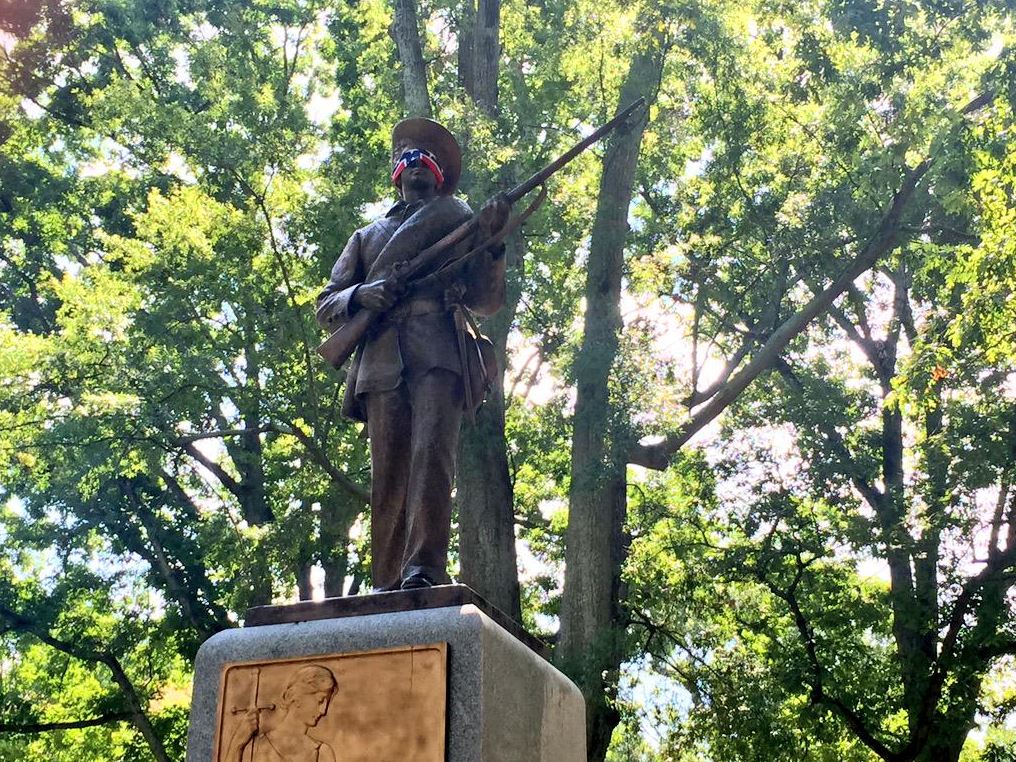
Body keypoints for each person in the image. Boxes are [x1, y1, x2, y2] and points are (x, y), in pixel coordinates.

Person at [315, 118, 509, 592]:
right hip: (382, 359)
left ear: (439, 176)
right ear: (396, 174)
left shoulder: (459, 221)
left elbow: (486, 300)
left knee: (432, 460)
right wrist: (363, 296)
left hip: (439, 351)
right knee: (389, 470)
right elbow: (327, 303)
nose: (416, 170)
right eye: (408, 162)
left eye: (427, 164)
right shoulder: (366, 237)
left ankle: (423, 568)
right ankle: (386, 577)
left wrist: (493, 242)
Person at [224, 665, 338, 762]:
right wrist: (237, 743)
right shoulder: (255, 746)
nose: (323, 710)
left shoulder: (321, 752)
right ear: (296, 697)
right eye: (320, 701)